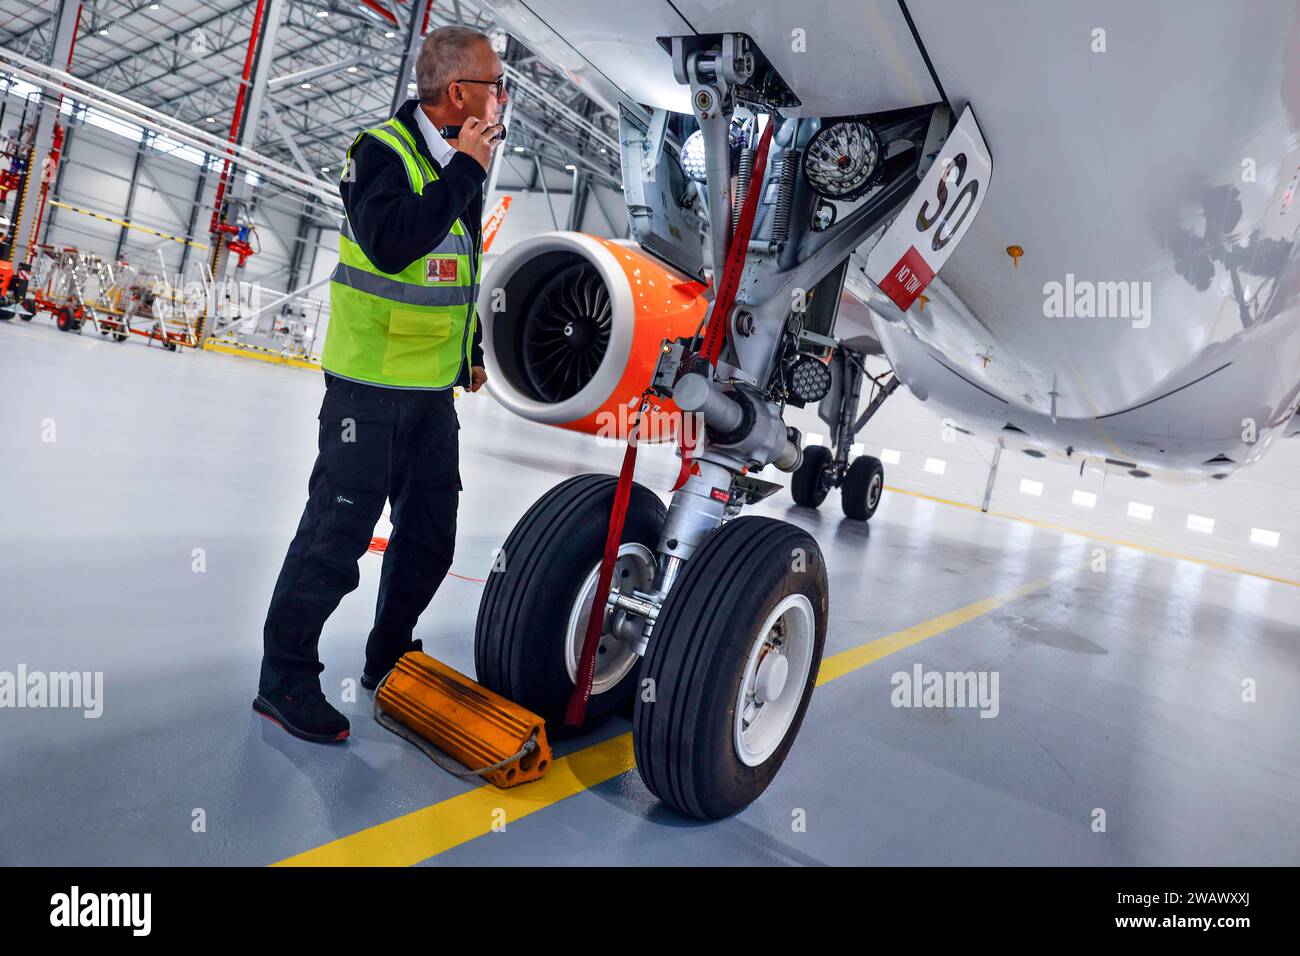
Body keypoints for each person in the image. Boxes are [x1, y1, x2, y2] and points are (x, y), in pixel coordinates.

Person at [253, 25, 507, 742]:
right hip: (367, 392)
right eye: (493, 83)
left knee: (430, 538)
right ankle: (284, 679)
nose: (501, 96)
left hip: (430, 394)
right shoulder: (382, 153)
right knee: (336, 537)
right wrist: (464, 169)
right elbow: (395, 245)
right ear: (459, 94)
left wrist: (471, 349)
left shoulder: (458, 161)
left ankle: (388, 654)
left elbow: (453, 267)